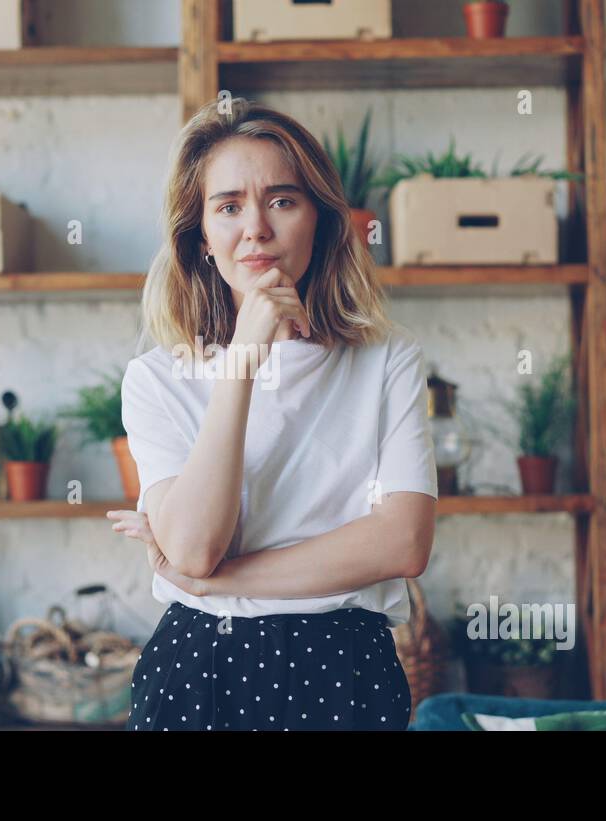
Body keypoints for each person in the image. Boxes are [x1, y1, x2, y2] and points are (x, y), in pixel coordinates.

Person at [106, 97, 438, 731]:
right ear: (201, 237)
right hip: (198, 672)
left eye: (282, 200)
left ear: (321, 220)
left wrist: (220, 583)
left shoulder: (387, 360)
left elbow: (403, 542)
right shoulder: (155, 380)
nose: (255, 228)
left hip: (348, 669)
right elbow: (196, 548)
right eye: (228, 207)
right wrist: (242, 361)